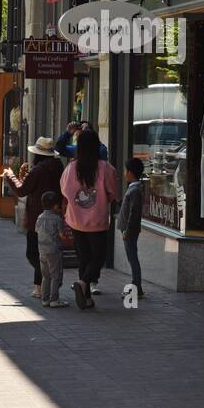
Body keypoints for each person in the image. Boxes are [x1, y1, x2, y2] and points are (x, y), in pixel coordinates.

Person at [60, 130, 120, 310]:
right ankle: (84, 282)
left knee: (84, 258)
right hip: (98, 221)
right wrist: (104, 201)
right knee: (99, 257)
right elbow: (114, 193)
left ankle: (85, 298)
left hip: (76, 220)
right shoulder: (105, 168)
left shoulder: (71, 168)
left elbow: (64, 191)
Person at [3, 136, 65, 299]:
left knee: (33, 253)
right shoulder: (59, 167)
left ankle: (49, 279)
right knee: (46, 251)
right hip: (55, 214)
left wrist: (10, 175)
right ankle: (39, 287)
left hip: (37, 217)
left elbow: (22, 190)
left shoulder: (38, 170)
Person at [118, 158, 145, 301]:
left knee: (132, 258)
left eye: (125, 170)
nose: (123, 173)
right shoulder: (133, 188)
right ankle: (137, 287)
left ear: (130, 172)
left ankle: (136, 287)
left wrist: (127, 231)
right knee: (132, 258)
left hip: (130, 231)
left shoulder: (134, 190)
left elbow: (134, 213)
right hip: (128, 230)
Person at [34, 192, 68, 307]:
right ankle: (54, 299)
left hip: (42, 250)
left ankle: (45, 299)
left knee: (46, 276)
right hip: (54, 250)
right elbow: (62, 235)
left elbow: (37, 230)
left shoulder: (39, 217)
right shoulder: (57, 219)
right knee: (55, 276)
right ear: (55, 206)